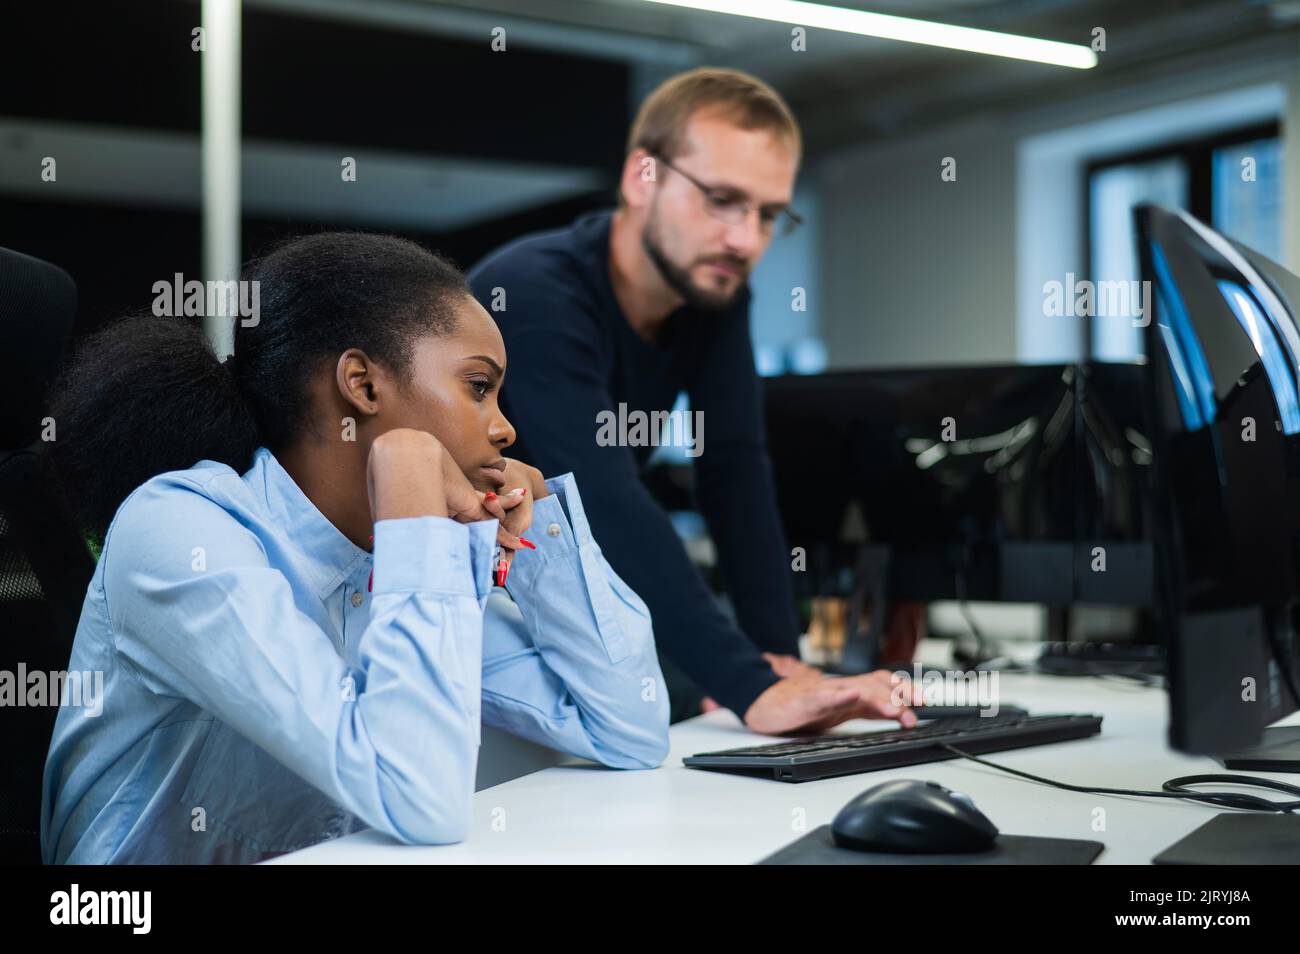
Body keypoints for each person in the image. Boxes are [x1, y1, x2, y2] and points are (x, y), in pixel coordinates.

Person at [40, 232, 670, 865]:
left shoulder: (389, 558)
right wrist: (412, 488)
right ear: (362, 385)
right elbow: (420, 799)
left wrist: (536, 545)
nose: (505, 429)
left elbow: (631, 729)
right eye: (479, 387)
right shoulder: (179, 530)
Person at [468, 68, 918, 735]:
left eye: (769, 215)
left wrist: (779, 666)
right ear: (639, 178)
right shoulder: (533, 291)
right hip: (465, 592)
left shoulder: (714, 297)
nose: (746, 240)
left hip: (560, 586)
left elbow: (735, 473)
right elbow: (600, 498)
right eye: (722, 200)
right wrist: (749, 684)